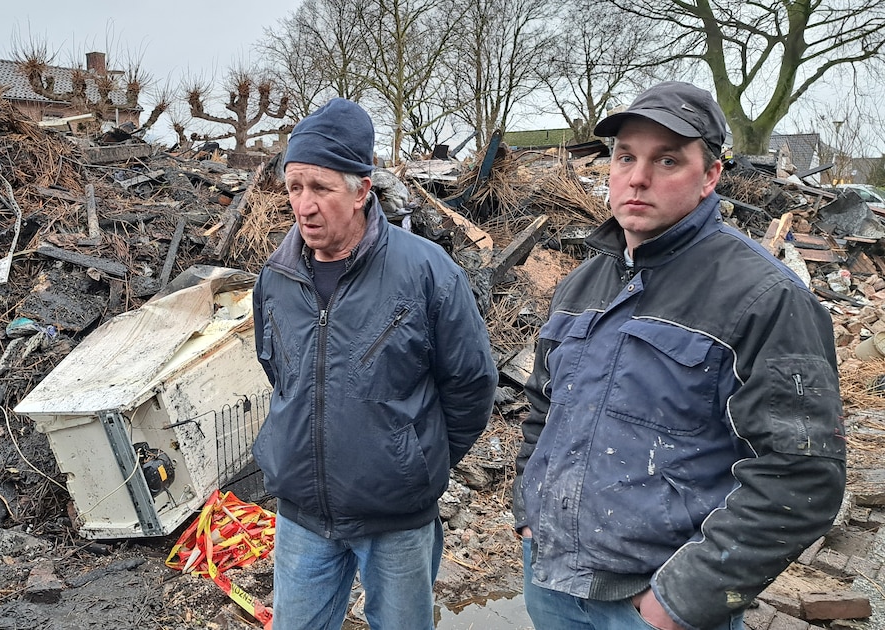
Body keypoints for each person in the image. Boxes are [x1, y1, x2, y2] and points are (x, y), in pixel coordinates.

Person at [513, 81, 846, 630]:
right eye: (626, 157)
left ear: (711, 175)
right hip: (552, 583)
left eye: (667, 160)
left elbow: (801, 475)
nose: (638, 178)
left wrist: (680, 602)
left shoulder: (765, 299)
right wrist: (529, 513)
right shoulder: (582, 284)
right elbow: (542, 409)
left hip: (650, 604)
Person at [252, 97, 498, 630]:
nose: (304, 205)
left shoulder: (428, 272)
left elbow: (472, 384)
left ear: (363, 189)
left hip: (396, 520)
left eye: (321, 187)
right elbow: (280, 373)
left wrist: (412, 459)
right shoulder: (276, 278)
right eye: (295, 187)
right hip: (302, 515)